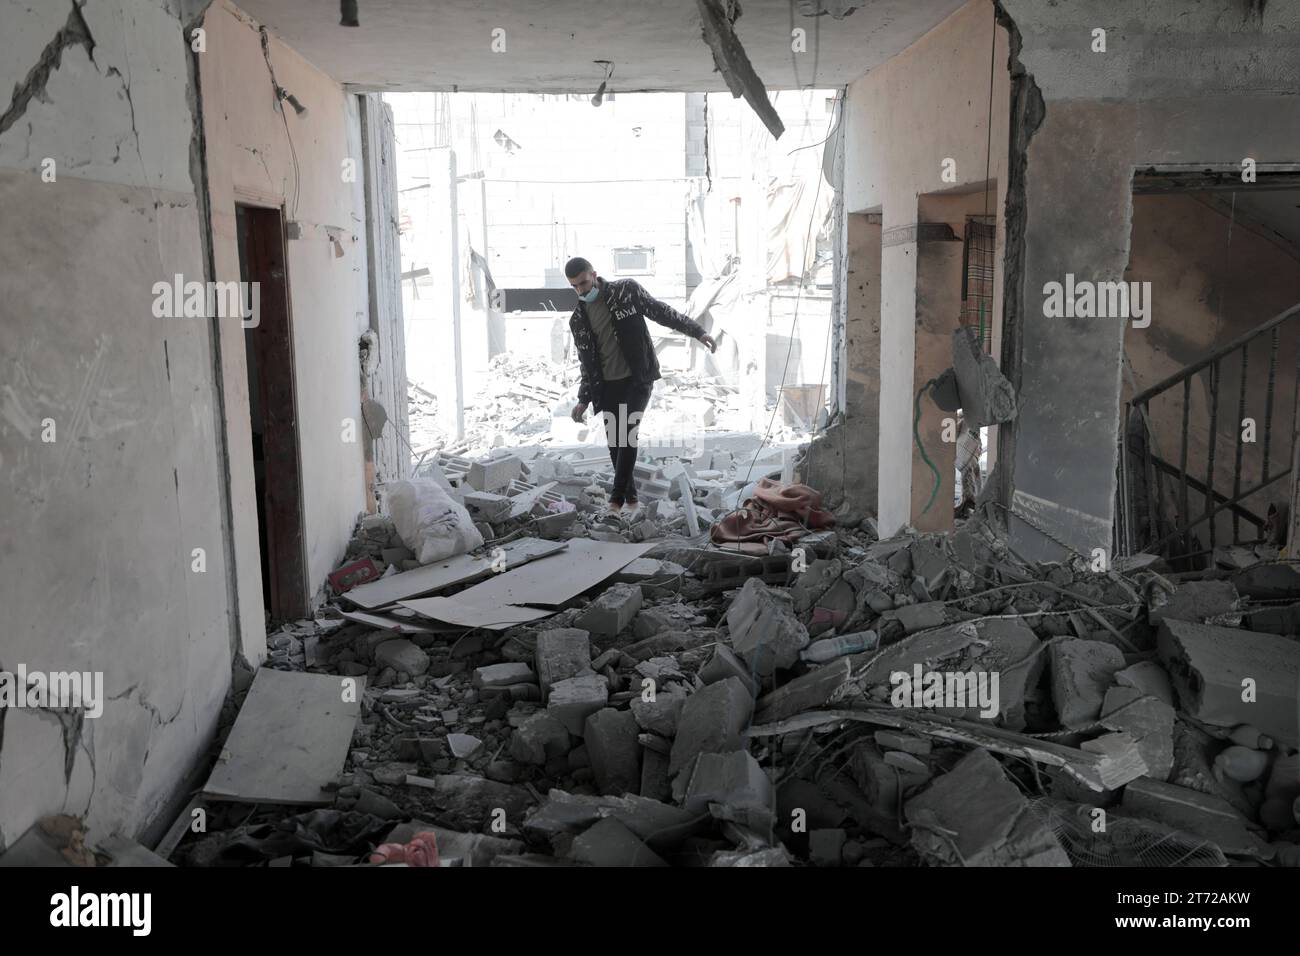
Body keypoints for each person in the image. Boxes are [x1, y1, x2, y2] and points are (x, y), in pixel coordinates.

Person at [565, 256, 717, 517]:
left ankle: (615, 500)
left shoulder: (627, 291)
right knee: (615, 442)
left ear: (594, 274)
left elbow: (661, 312)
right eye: (575, 287)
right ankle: (632, 500)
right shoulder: (577, 320)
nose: (582, 291)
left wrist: (697, 332)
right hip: (607, 387)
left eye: (584, 283)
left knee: (627, 434)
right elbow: (586, 364)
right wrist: (583, 398)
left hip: (637, 379)